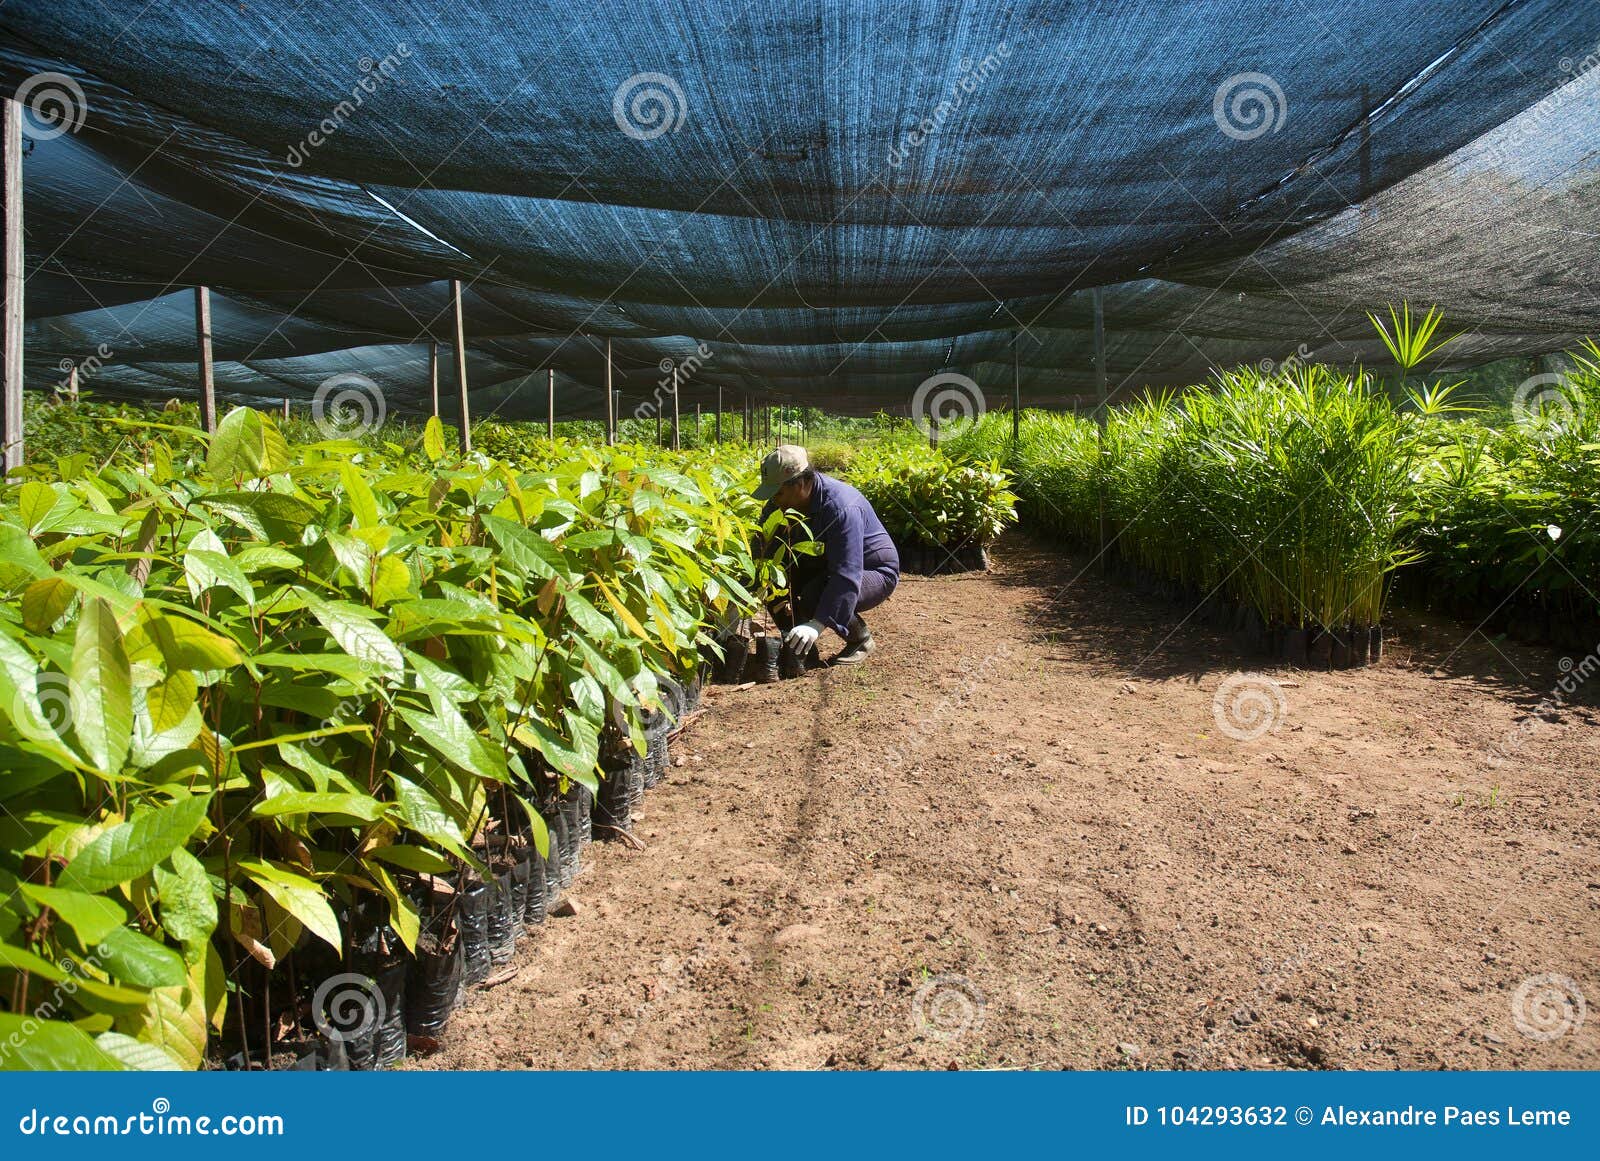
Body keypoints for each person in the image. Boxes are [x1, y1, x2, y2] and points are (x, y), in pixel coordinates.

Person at [753, 444, 899, 665]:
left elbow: (847, 573)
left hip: (872, 571)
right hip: (823, 564)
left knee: (816, 594)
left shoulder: (841, 507)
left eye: (778, 493)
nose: (774, 500)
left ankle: (860, 639)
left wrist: (816, 625)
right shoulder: (780, 504)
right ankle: (797, 648)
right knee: (774, 577)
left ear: (800, 484)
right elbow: (762, 550)